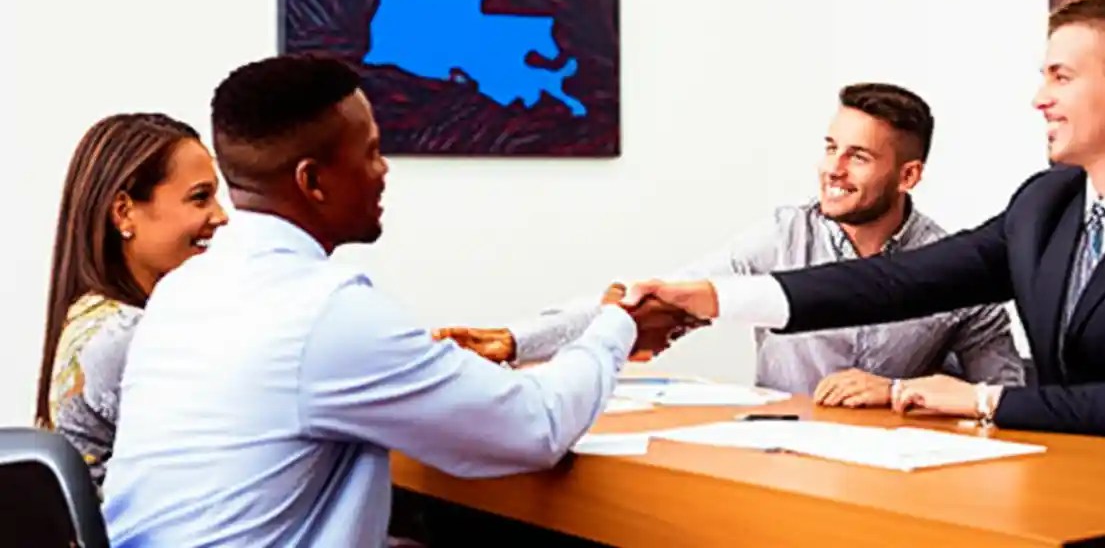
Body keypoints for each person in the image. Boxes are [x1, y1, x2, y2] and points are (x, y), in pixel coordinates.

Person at [624, 0, 1105, 450]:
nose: (1040, 98)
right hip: (1067, 478)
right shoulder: (1046, 203)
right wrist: (710, 298)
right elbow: (895, 282)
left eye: (1061, 77)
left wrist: (981, 399)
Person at [101, 55, 684, 547]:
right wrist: (618, 326)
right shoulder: (324, 313)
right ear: (312, 182)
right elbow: (537, 427)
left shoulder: (183, 290)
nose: (383, 172)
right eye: (372, 153)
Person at [435, 83, 1023, 406]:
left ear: (908, 175)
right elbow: (656, 299)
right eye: (829, 147)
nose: (833, 169)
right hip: (779, 461)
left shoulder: (956, 269)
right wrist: (513, 341)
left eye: (858, 156)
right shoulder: (782, 236)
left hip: (904, 481)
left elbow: (1004, 399)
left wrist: (897, 391)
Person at [34, 112, 228, 489]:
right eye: (200, 198)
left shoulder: (93, 317)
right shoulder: (126, 336)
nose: (220, 216)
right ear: (124, 212)